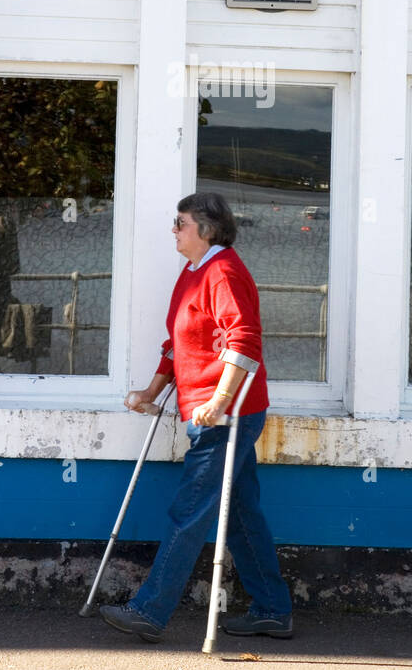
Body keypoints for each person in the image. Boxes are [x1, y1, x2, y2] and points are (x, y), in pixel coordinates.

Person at [99, 191, 293, 643]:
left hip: (226, 415)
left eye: (180, 221)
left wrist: (219, 402)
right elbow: (179, 343)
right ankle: (273, 609)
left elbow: (243, 342)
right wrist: (151, 391)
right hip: (209, 410)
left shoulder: (223, 270)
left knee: (191, 509)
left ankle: (150, 611)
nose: (174, 229)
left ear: (206, 228)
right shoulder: (193, 273)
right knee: (241, 512)